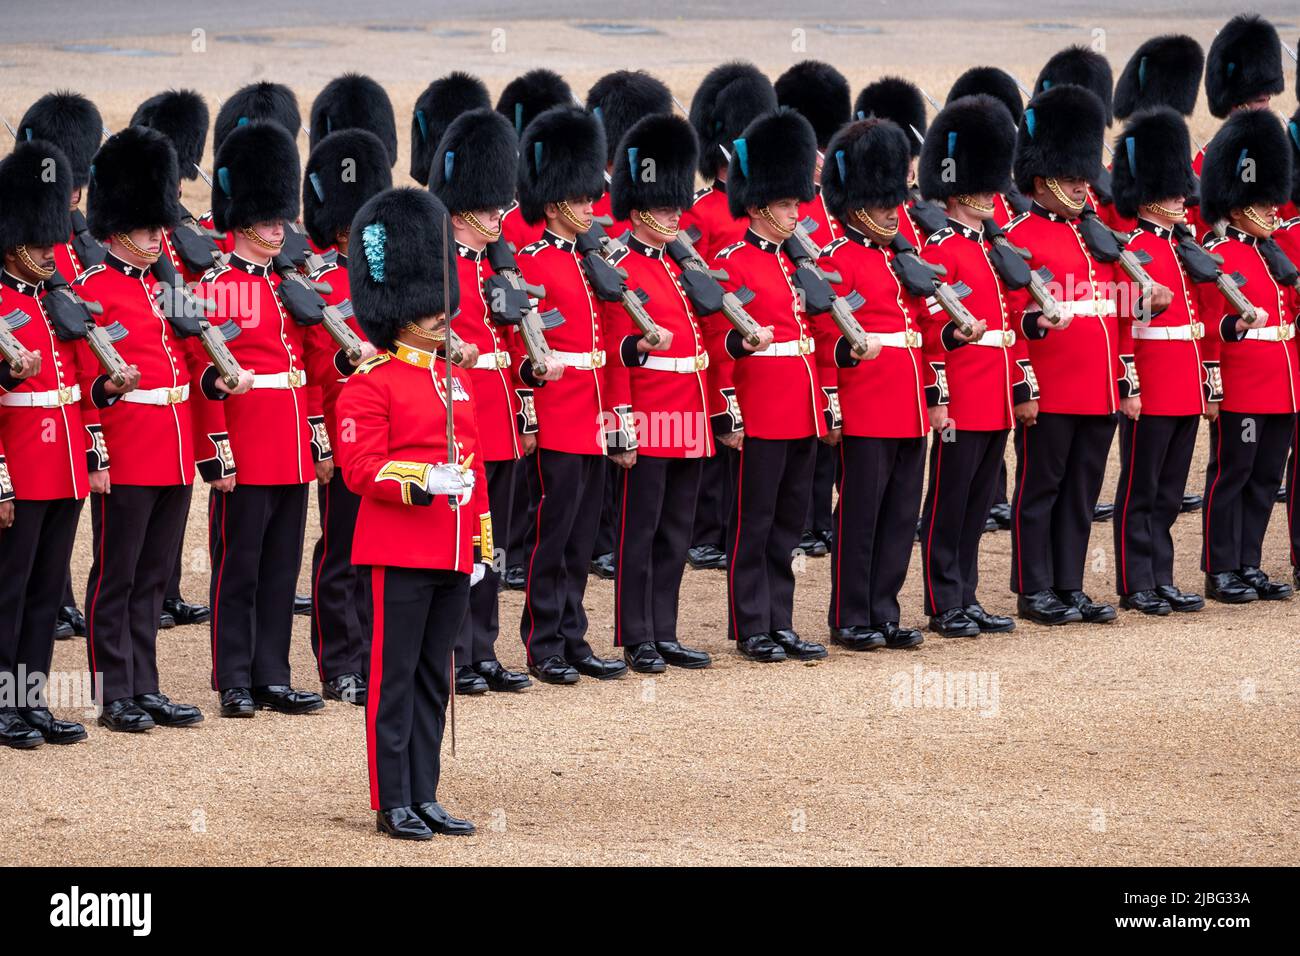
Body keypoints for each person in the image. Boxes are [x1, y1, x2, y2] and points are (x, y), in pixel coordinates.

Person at [76, 126, 245, 731]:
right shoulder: (93, 293)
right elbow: (89, 388)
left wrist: (211, 395)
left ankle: (143, 683)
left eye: (159, 227)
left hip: (172, 449)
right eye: (150, 228)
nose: (158, 236)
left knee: (152, 575)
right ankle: (111, 689)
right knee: (116, 574)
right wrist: (97, 455)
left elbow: (185, 373)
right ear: (119, 227)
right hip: (129, 449)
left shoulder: (163, 291)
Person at [336, 186, 486, 841]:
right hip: (398, 547)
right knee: (391, 680)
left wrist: (479, 544)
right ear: (399, 312)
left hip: (452, 549)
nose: (441, 314)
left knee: (433, 677)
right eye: (428, 306)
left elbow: (474, 465)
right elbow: (361, 469)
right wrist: (424, 479)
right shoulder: (370, 383)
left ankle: (424, 792)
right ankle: (389, 797)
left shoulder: (453, 378)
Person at [1005, 84, 1172, 626]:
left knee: (1080, 491)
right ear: (1042, 179)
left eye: (1083, 177)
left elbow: (1119, 315)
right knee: (1040, 490)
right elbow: (1016, 322)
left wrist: (1126, 379)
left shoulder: (1095, 238)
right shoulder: (1018, 240)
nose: (1082, 184)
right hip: (1052, 389)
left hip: (1098, 387)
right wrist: (1025, 385)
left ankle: (1068, 583)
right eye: (1072, 177)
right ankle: (1035, 589)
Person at [0, 139, 139, 748]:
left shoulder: (55, 303)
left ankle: (29, 702)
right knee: (8, 591)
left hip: (62, 468)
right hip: (21, 466)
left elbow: (78, 390)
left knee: (41, 592)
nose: (46, 253)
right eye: (35, 244)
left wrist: (105, 397)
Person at [192, 120, 333, 717]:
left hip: (289, 442)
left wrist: (319, 442)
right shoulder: (216, 285)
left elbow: (308, 375)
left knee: (282, 565)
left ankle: (273, 672)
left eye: (283, 218)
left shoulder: (287, 286)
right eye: (270, 219)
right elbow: (210, 378)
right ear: (243, 218)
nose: (280, 227)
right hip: (246, 444)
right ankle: (234, 678)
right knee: (238, 564)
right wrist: (218, 451)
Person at [513, 105, 630, 685]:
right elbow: (523, 348)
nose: (592, 208)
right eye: (582, 201)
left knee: (582, 536)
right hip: (558, 414)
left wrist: (616, 419)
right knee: (552, 534)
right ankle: (543, 640)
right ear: (556, 203)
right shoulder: (534, 264)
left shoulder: (590, 264)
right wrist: (531, 412)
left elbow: (606, 348)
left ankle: (574, 635)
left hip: (590, 415)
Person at [917, 94, 1039, 638]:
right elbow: (933, 334)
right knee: (947, 503)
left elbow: (1009, 331)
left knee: (974, 506)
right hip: (962, 395)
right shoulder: (939, 250)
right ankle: (945, 602)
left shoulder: (990, 249)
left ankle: (965, 594)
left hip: (992, 395)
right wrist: (939, 400)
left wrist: (1020, 387)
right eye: (984, 183)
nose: (994, 193)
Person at [428, 106, 540, 694]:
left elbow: (515, 345)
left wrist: (525, 408)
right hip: (458, 417)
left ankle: (485, 649)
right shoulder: (438, 264)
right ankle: (455, 653)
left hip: (498, 417)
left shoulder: (497, 266)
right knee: (462, 543)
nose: (500, 214)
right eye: (491, 205)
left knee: (492, 543)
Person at [708, 106, 826, 663]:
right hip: (760, 408)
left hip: (800, 408)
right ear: (758, 207)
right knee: (753, 524)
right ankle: (751, 623)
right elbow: (720, 346)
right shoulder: (731, 263)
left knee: (788, 525)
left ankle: (780, 618)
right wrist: (731, 411)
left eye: (796, 202)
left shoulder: (799, 263)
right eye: (785, 204)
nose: (795, 212)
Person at [603, 112, 715, 672]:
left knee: (676, 530)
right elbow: (617, 357)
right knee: (639, 530)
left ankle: (664, 629)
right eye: (667, 205)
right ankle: (635, 633)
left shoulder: (678, 264)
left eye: (677, 205)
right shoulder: (619, 267)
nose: (676, 214)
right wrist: (620, 427)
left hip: (688, 411)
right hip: (647, 413)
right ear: (640, 205)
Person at [815, 116, 928, 650]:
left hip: (909, 407)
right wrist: (834, 407)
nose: (894, 208)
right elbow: (826, 341)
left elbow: (918, 336)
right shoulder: (836, 261)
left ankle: (885, 608)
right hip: (866, 406)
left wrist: (935, 397)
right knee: (860, 515)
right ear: (857, 201)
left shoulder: (902, 258)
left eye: (895, 198)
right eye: (884, 200)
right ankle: (850, 614)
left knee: (902, 513)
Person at [1107, 107, 1212, 614]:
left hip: (1184, 382)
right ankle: (1134, 580)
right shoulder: (1135, 249)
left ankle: (1162, 575)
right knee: (1141, 486)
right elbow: (1123, 320)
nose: (1181, 196)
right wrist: (1130, 386)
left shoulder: (1183, 247)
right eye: (1172, 189)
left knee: (1170, 489)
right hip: (1151, 380)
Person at [301, 127, 390, 704]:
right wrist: (323, 445)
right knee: (341, 551)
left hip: (393, 431)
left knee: (381, 551)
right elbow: (310, 370)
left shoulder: (385, 281)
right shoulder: (318, 285)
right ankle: (340, 664)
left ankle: (374, 653)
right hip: (346, 431)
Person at [1197, 109, 1297, 603]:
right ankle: (1221, 568)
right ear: (1237, 207)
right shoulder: (1217, 255)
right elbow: (1213, 330)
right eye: (1263, 201)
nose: (1275, 208)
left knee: (1264, 479)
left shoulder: (1272, 252)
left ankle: (1249, 563)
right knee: (1232, 474)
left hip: (1282, 383)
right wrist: (1213, 387)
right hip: (1242, 383)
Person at [17, 90, 106, 640]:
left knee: (45, 572)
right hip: (26, 443)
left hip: (70, 434)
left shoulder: (76, 244)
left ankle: (31, 696)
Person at [682, 61, 777, 573]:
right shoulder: (701, 211)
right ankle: (707, 531)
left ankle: (730, 529)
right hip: (721, 333)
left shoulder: (757, 207)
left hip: (763, 338)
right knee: (718, 446)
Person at [130, 87, 215, 627]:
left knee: (174, 495)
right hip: (147, 380)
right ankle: (152, 592)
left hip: (181, 375)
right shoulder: (146, 221)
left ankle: (167, 588)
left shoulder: (181, 221)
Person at [776, 60, 851, 560]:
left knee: (831, 429)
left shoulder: (834, 200)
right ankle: (805, 522)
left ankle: (822, 521)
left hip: (833, 330)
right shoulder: (792, 199)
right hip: (802, 328)